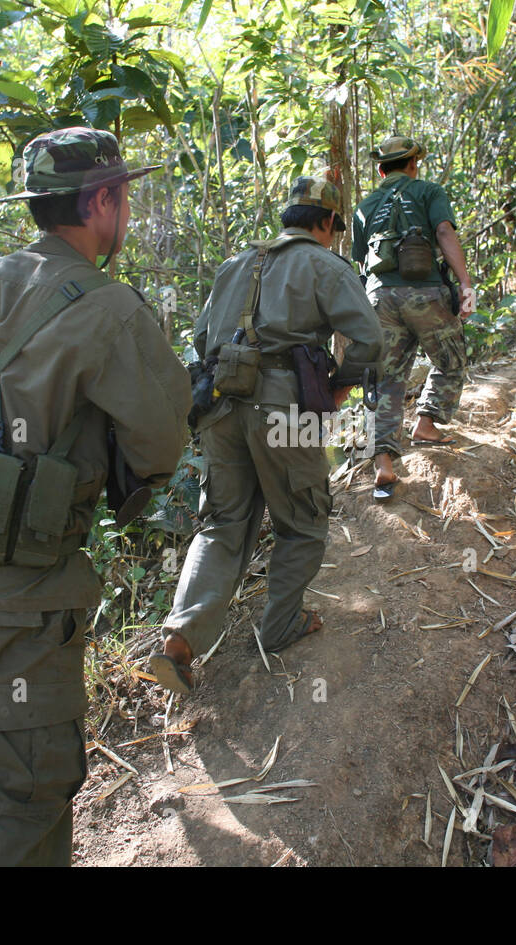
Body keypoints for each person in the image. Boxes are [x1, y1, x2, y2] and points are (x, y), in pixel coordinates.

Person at [0, 127, 191, 865]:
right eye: (122, 197)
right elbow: (162, 442)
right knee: (25, 787)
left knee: (3, 761)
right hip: (15, 588)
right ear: (100, 201)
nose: (126, 214)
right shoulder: (111, 308)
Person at [148, 177, 383, 694]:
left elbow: (201, 338)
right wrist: (341, 384)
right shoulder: (325, 264)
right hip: (284, 408)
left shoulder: (235, 264)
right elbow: (369, 337)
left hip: (220, 406)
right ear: (325, 224)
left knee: (223, 523)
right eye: (333, 227)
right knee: (302, 519)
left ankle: (180, 638)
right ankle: (280, 625)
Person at [351, 135, 475, 501]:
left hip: (379, 297)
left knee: (385, 378)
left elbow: (361, 261)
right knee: (451, 357)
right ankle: (426, 424)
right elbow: (443, 231)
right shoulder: (429, 192)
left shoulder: (366, 205)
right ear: (414, 164)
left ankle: (384, 461)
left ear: (380, 169)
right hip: (425, 294)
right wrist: (464, 283)